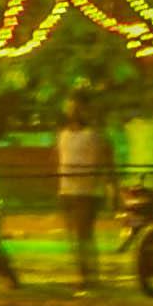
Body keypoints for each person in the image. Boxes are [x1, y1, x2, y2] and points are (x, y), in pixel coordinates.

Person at [54, 96, 114, 291]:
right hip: (67, 191)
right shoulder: (63, 135)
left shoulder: (94, 135)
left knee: (83, 236)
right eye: (71, 109)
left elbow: (107, 160)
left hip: (86, 192)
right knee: (75, 238)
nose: (74, 113)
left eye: (77, 109)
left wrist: (110, 186)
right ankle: (85, 274)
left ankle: (87, 276)